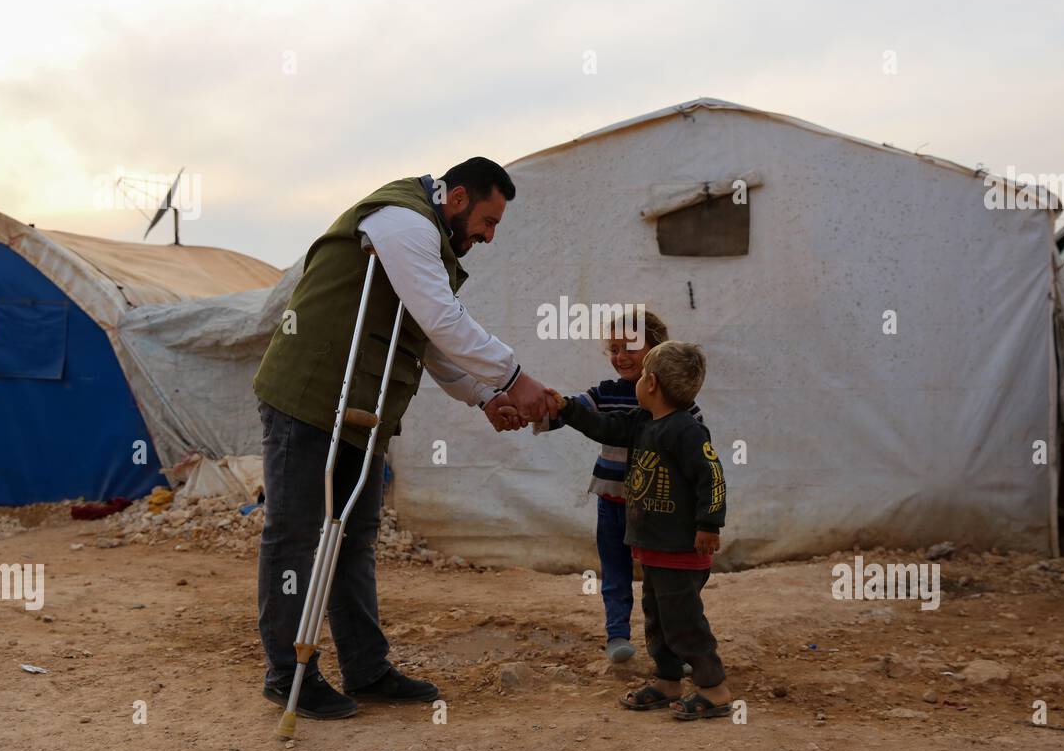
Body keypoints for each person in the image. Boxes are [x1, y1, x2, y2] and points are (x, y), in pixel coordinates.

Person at [252, 157, 549, 721]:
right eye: (487, 222)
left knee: (354, 539)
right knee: (295, 537)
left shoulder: (428, 240)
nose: (487, 237)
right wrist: (515, 376)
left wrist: (486, 397)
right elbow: (441, 318)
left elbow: (423, 335)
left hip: (361, 408)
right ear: (457, 199)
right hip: (308, 396)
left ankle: (366, 668)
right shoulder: (404, 223)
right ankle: (288, 672)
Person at [544, 341, 733, 719]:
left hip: (681, 548)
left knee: (684, 622)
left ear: (651, 384)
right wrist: (567, 408)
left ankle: (714, 689)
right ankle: (667, 680)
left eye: (643, 374)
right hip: (653, 547)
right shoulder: (642, 424)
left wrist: (709, 524)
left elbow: (712, 478)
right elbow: (603, 426)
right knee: (657, 618)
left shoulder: (688, 431)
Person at [537, 310, 703, 664]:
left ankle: (679, 647)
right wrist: (529, 407)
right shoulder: (606, 394)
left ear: (655, 349)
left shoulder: (683, 408)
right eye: (613, 348)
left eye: (629, 346)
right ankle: (617, 635)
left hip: (660, 513)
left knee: (666, 583)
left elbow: (700, 467)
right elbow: (571, 413)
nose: (620, 356)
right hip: (613, 502)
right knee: (615, 571)